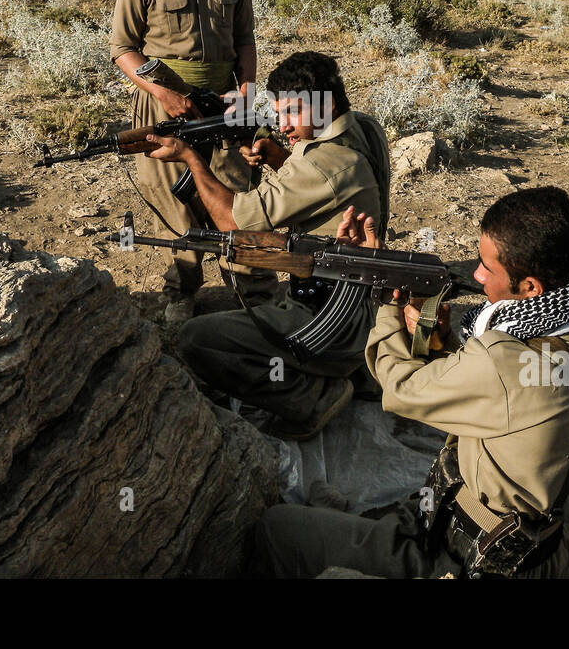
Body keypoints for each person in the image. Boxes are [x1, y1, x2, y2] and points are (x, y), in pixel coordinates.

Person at [252, 186, 569, 578]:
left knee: (279, 531)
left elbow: (400, 389)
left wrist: (388, 303)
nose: (477, 276)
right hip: (542, 550)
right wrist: (442, 344)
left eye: (488, 267)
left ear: (531, 288)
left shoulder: (502, 359)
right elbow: (528, 408)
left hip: (464, 556)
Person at [143, 51, 390, 440]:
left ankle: (312, 397)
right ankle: (351, 372)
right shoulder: (363, 128)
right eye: (279, 113)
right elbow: (321, 187)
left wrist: (191, 158)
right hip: (371, 311)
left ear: (322, 106)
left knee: (197, 339)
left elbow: (234, 223)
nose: (282, 124)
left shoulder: (321, 165)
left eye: (292, 113)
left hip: (330, 321)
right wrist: (278, 155)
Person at [109, 0, 272, 324]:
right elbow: (123, 48)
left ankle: (254, 291)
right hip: (165, 102)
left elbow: (244, 39)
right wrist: (162, 93)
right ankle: (182, 288)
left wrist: (246, 92)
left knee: (237, 192)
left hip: (221, 103)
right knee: (176, 197)